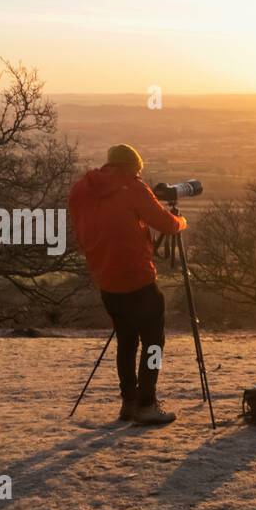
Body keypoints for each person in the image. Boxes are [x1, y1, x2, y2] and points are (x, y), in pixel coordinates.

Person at [68, 144, 185, 425]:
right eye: (138, 171)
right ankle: (147, 404)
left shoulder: (82, 189)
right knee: (154, 342)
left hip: (106, 278)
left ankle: (129, 403)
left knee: (126, 341)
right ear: (133, 167)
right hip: (138, 278)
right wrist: (181, 221)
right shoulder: (132, 187)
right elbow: (166, 225)